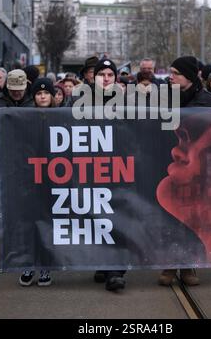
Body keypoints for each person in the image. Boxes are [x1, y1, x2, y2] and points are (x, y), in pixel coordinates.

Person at [158, 56, 211, 287]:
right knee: (170, 214)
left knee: (193, 215)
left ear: (189, 77)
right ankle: (170, 263)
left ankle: (188, 264)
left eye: (176, 73)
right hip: (169, 163)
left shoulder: (208, 100)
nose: (170, 76)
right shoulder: (165, 98)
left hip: (199, 167)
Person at [92, 58, 126, 291]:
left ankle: (116, 269)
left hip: (119, 169)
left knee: (117, 217)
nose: (106, 79)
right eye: (102, 74)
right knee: (96, 217)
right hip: (92, 168)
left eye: (110, 75)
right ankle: (101, 263)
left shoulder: (126, 102)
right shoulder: (79, 101)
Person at [19, 78, 56, 287]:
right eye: (38, 93)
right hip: (32, 177)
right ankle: (28, 263)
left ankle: (45, 266)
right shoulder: (25, 117)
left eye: (46, 93)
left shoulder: (62, 117)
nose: (42, 96)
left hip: (54, 178)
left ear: (52, 96)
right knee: (30, 222)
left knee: (48, 223)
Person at [0, 70, 34, 190]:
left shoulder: (34, 100)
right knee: (4, 187)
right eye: (13, 90)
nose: (16, 93)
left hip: (29, 153)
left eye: (19, 89)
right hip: (3, 153)